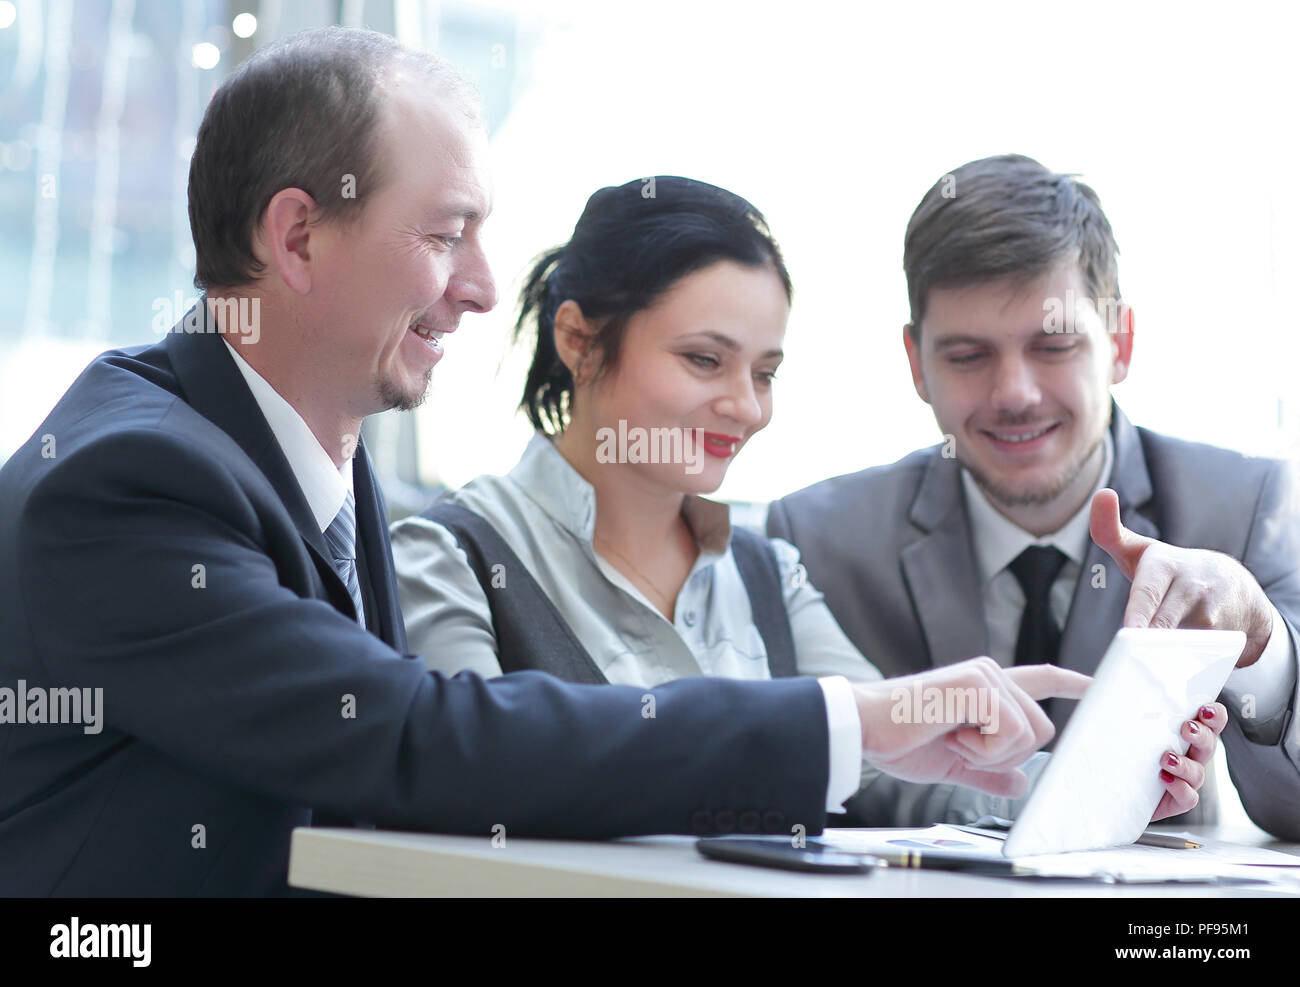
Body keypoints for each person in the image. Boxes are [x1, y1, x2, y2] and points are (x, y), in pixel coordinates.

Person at [0, 33, 1085, 897]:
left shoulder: (309, 452)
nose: (481, 286)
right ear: (296, 239)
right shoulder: (134, 476)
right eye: (444, 233)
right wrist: (856, 720)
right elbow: (419, 739)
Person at [389, 175, 1206, 825]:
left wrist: (1108, 793)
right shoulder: (451, 555)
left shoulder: (764, 569)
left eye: (764, 372)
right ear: (578, 339)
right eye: (705, 360)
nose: (746, 406)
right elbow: (477, 776)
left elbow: (900, 760)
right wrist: (849, 725)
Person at [768, 154, 1300, 837]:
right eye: (967, 356)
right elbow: (825, 787)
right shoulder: (819, 540)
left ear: (1120, 341)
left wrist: (1259, 644)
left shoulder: (1246, 505)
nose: (1014, 393)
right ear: (915, 364)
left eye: (1053, 346)